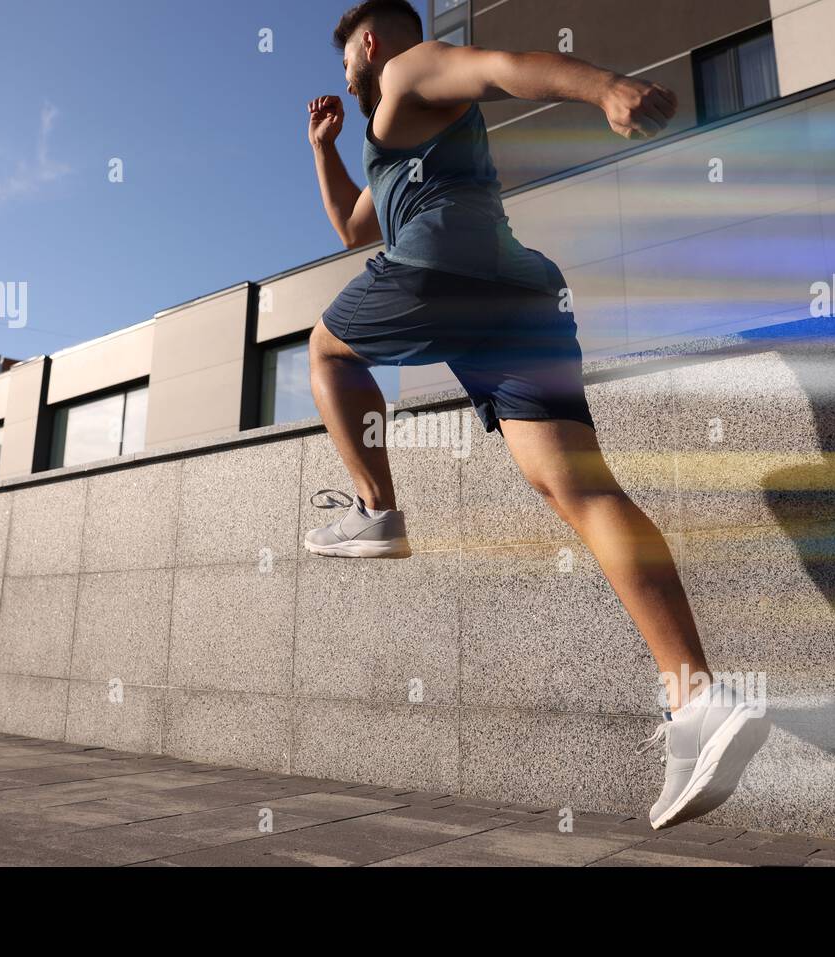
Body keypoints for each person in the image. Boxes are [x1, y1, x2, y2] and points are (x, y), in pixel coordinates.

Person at [303, 0, 770, 829]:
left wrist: (603, 88)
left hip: (442, 273)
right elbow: (349, 223)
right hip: (517, 296)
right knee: (575, 488)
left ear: (368, 44)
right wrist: (327, 150)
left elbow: (504, 67)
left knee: (326, 352)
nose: (346, 75)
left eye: (347, 60)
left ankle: (376, 510)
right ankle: (698, 699)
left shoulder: (412, 69)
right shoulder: (396, 132)